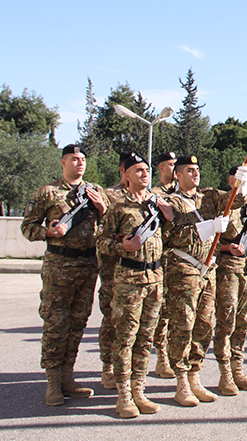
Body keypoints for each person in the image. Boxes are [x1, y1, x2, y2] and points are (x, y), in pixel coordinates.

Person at [21, 144, 109, 406]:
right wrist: (48, 232)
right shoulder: (48, 193)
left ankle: (67, 376)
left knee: (78, 322)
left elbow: (110, 227)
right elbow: (27, 227)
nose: (79, 163)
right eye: (74, 159)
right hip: (59, 265)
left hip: (88, 266)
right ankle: (52, 383)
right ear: (63, 163)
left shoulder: (95, 192)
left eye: (82, 159)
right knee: (55, 323)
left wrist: (103, 210)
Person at [162, 155, 247, 407]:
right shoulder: (171, 201)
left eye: (197, 169)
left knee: (203, 326)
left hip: (208, 270)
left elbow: (236, 201)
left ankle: (194, 375)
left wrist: (241, 182)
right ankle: (181, 382)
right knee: (183, 326)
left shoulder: (208, 196)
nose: (195, 173)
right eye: (189, 170)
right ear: (177, 174)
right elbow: (172, 235)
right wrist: (209, 227)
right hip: (183, 269)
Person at [98, 152, 174, 418]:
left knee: (145, 339)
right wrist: (122, 245)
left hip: (155, 279)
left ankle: (139, 391)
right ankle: (123, 396)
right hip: (129, 280)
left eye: (147, 170)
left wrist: (170, 216)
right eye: (138, 170)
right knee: (126, 338)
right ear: (126, 175)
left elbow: (174, 238)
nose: (144, 174)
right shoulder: (118, 207)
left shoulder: (157, 206)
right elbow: (101, 242)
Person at [212, 168, 247, 395]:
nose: (244, 185)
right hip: (227, 269)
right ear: (230, 180)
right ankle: (225, 374)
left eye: (246, 181)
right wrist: (226, 247)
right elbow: (205, 241)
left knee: (243, 322)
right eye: (239, 181)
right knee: (226, 322)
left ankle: (238, 370)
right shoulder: (220, 203)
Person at [98, 153, 131, 390]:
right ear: (123, 171)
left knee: (132, 323)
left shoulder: (147, 197)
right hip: (112, 268)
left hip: (138, 272)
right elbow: (101, 232)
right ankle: (108, 367)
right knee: (111, 318)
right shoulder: (109, 196)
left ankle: (129, 372)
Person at [151, 151, 177, 379]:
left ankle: (177, 355)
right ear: (160, 168)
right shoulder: (154, 195)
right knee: (164, 312)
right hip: (165, 260)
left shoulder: (187, 193)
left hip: (186, 264)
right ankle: (162, 357)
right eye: (170, 165)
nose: (174, 168)